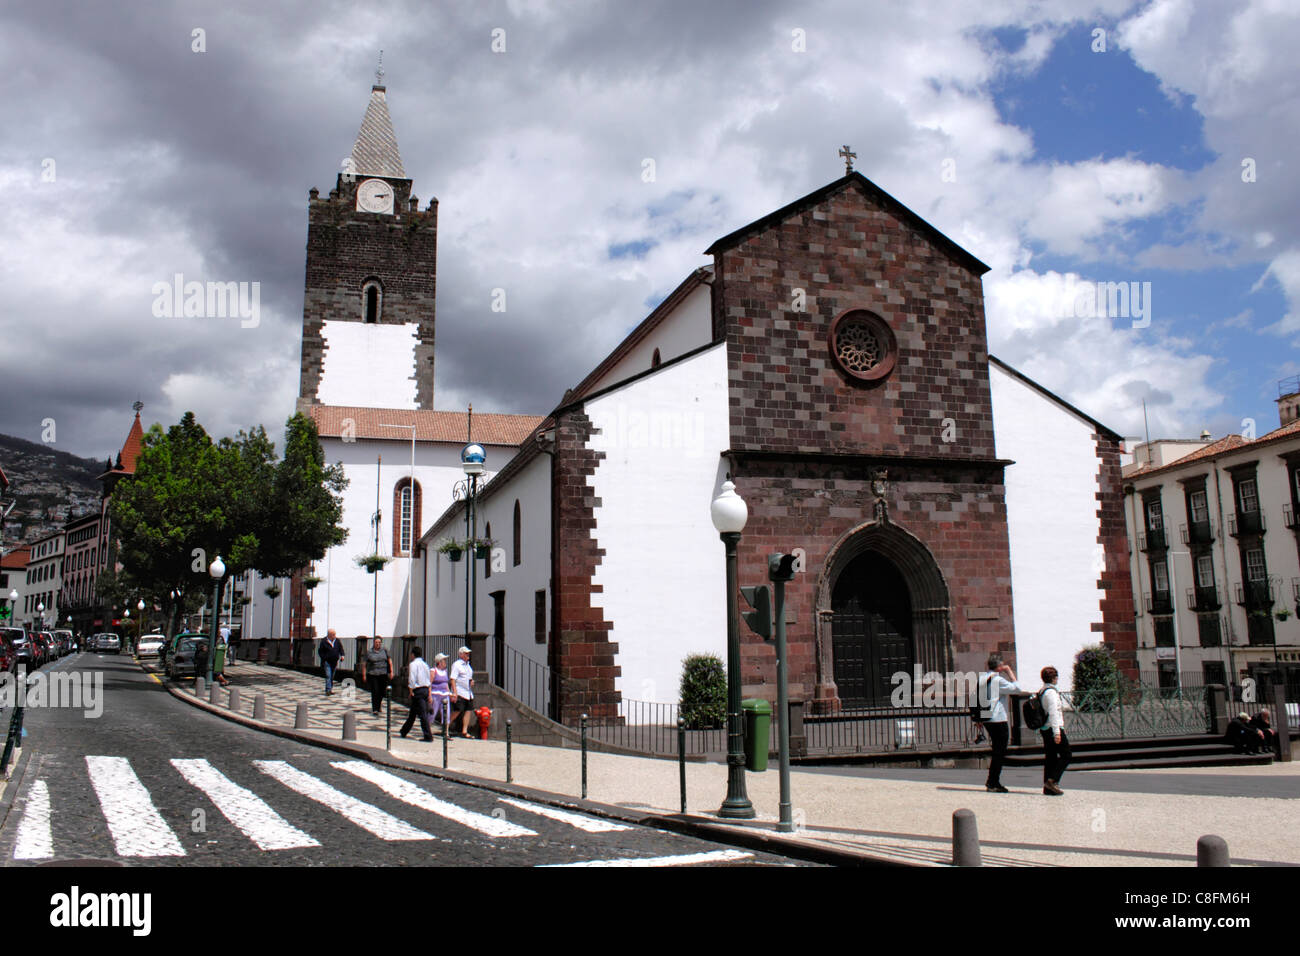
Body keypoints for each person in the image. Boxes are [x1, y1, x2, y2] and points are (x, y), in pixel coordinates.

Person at [973, 652, 1022, 793]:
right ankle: (993, 782)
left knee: (997, 749)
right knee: (999, 751)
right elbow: (1017, 689)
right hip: (998, 718)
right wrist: (1010, 672)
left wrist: (979, 719)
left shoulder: (982, 678)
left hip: (987, 718)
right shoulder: (998, 680)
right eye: (1002, 665)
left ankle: (992, 781)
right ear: (999, 667)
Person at [1038, 666, 1069, 796]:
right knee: (1066, 755)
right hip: (1052, 728)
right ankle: (1053, 781)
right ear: (1054, 678)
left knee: (1050, 757)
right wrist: (1057, 732)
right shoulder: (1051, 692)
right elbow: (1054, 713)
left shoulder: (1042, 690)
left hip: (1046, 728)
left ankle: (1047, 786)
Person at [399, 646, 434, 742]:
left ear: (413, 654)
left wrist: (411, 690)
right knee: (413, 713)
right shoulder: (425, 664)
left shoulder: (413, 664)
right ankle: (404, 731)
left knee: (423, 714)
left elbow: (412, 678)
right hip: (425, 689)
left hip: (418, 690)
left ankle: (428, 735)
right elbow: (428, 679)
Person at [360, 637, 393, 715]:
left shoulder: (384, 650)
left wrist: (391, 671)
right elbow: (364, 664)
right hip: (373, 674)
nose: (378, 644)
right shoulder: (369, 652)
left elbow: (389, 660)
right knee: (375, 690)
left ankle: (379, 704)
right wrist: (364, 674)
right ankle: (375, 708)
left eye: (379, 642)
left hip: (383, 673)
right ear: (374, 643)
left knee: (382, 691)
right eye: (376, 642)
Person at [449, 645, 475, 738]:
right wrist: (454, 692)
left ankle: (465, 730)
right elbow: (453, 679)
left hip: (468, 692)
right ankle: (446, 727)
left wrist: (471, 682)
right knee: (457, 710)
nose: (468, 655)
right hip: (460, 691)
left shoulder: (468, 665)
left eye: (468, 653)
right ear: (461, 654)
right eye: (466, 653)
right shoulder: (457, 665)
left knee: (468, 710)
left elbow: (468, 677)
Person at [318, 629, 344, 696]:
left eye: (335, 634)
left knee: (332, 676)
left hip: (335, 661)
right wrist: (324, 658)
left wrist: (342, 655)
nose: (334, 636)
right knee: (328, 675)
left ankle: (330, 689)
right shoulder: (324, 641)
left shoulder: (337, 641)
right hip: (327, 662)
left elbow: (341, 649)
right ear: (329, 635)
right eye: (333, 635)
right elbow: (320, 651)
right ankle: (328, 690)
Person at [430, 653, 451, 728]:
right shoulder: (433, 670)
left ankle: (446, 732)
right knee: (432, 713)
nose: (445, 662)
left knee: (446, 714)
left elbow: (446, 683)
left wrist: (449, 693)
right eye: (444, 660)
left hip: (445, 695)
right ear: (439, 662)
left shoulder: (445, 671)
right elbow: (430, 683)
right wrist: (429, 696)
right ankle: (428, 729)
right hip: (435, 694)